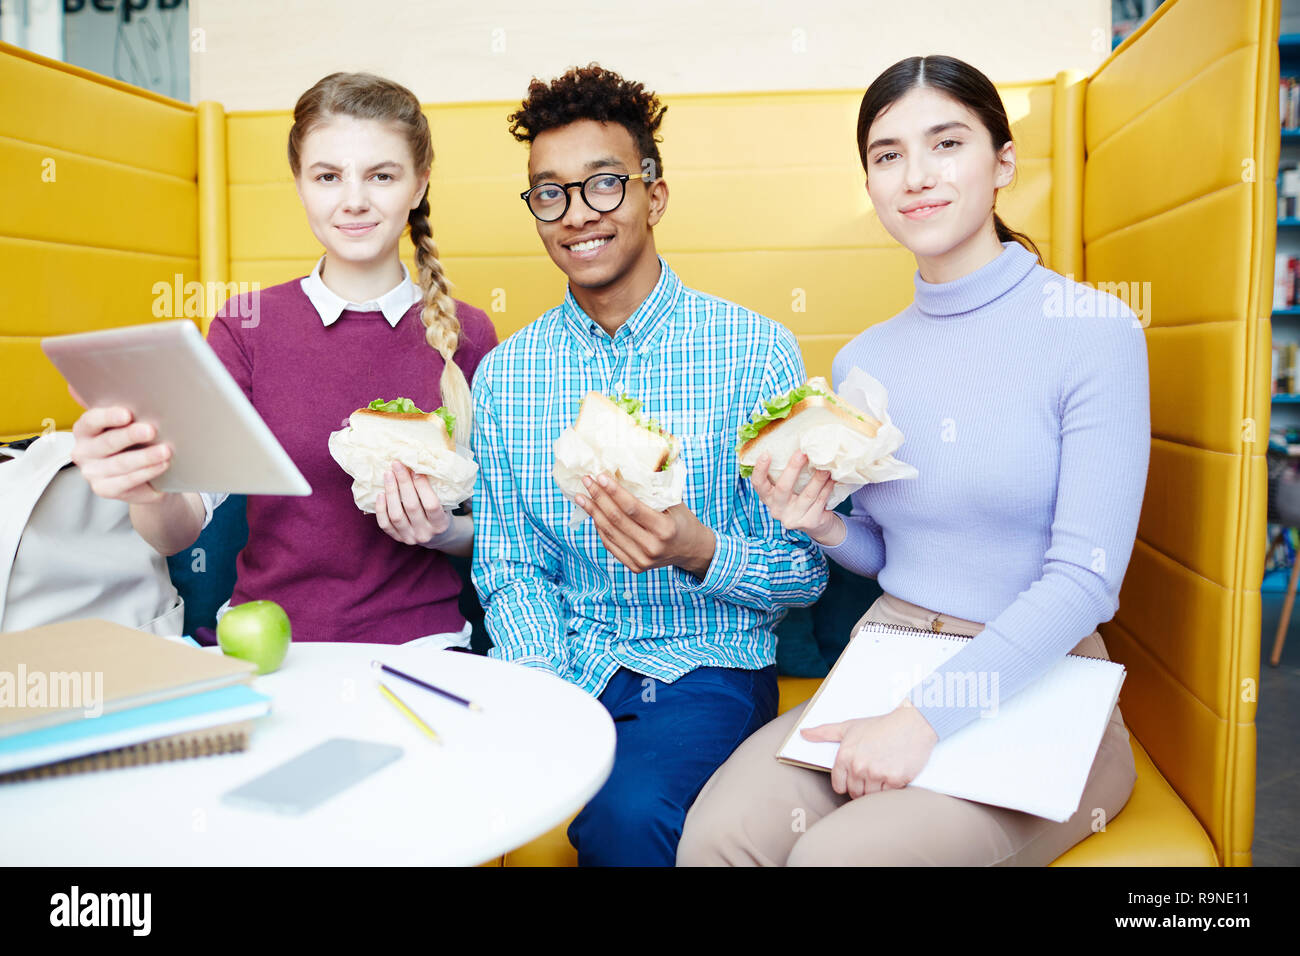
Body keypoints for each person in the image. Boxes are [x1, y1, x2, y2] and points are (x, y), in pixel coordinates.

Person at [677, 54, 1149, 866]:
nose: (916, 176)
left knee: (839, 861)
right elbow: (894, 553)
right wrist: (825, 526)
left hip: (1039, 679)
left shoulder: (1094, 333)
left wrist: (924, 718)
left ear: (1002, 161)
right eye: (887, 155)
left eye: (946, 143)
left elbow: (1085, 582)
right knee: (715, 839)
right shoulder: (870, 358)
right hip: (885, 656)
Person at [470, 64, 829, 866]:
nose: (576, 215)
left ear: (653, 195)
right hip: (563, 659)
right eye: (549, 193)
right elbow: (509, 569)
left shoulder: (754, 351)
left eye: (604, 185)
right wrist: (545, 687)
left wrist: (697, 550)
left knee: (627, 814)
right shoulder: (506, 375)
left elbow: (806, 574)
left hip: (708, 665)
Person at [69, 72, 497, 646]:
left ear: (419, 184)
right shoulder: (246, 327)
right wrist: (147, 493)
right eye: (327, 176)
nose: (353, 200)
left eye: (382, 175)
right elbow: (178, 530)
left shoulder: (468, 332)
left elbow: (500, 528)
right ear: (299, 185)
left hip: (424, 642)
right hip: (268, 641)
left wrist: (441, 532)